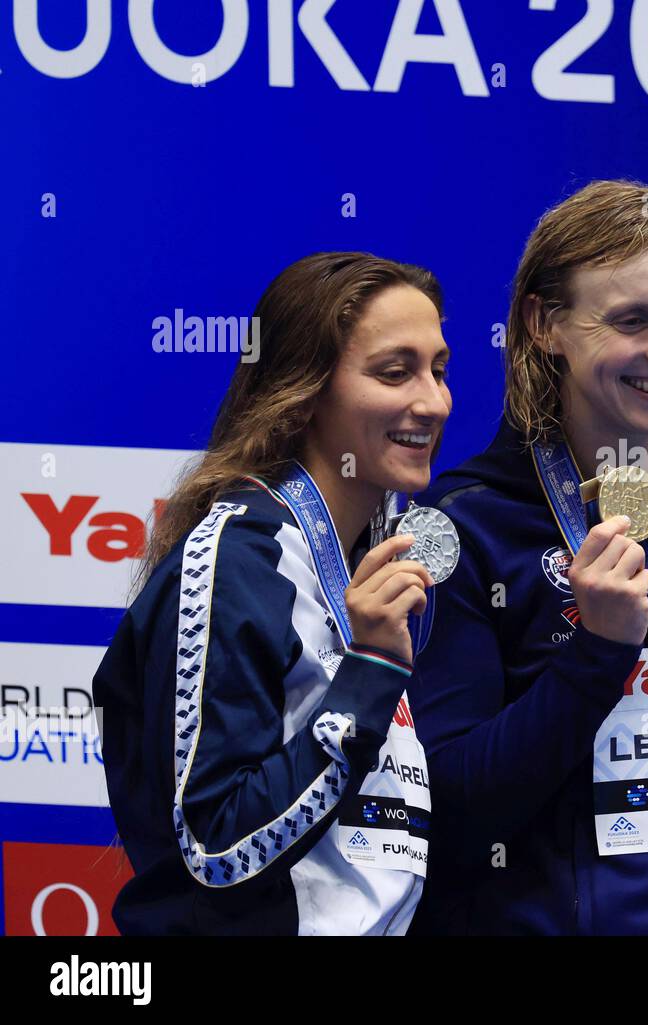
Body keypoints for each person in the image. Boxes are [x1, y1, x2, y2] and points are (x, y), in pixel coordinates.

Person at [409, 180, 648, 935]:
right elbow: (451, 811)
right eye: (632, 320)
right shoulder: (465, 525)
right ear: (545, 324)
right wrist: (596, 652)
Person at [93, 252, 452, 934]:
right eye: (394, 370)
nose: (434, 401)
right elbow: (217, 845)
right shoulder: (239, 557)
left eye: (439, 368)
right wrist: (369, 672)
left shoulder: (357, 563)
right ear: (308, 387)